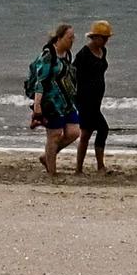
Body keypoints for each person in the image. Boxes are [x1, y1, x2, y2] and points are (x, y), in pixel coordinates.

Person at [25, 22, 82, 177]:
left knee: (74, 132)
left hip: (66, 102)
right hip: (51, 102)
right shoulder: (48, 55)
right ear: (59, 38)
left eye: (73, 38)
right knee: (54, 135)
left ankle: (47, 156)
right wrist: (37, 107)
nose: (72, 41)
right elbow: (40, 82)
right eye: (69, 38)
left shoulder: (67, 55)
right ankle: (52, 171)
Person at [72, 21, 112, 175]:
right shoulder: (83, 54)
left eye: (107, 38)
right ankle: (98, 167)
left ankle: (81, 169)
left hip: (96, 100)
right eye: (103, 37)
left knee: (87, 132)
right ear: (94, 37)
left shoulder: (103, 51)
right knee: (100, 129)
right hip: (84, 99)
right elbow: (73, 74)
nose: (106, 40)